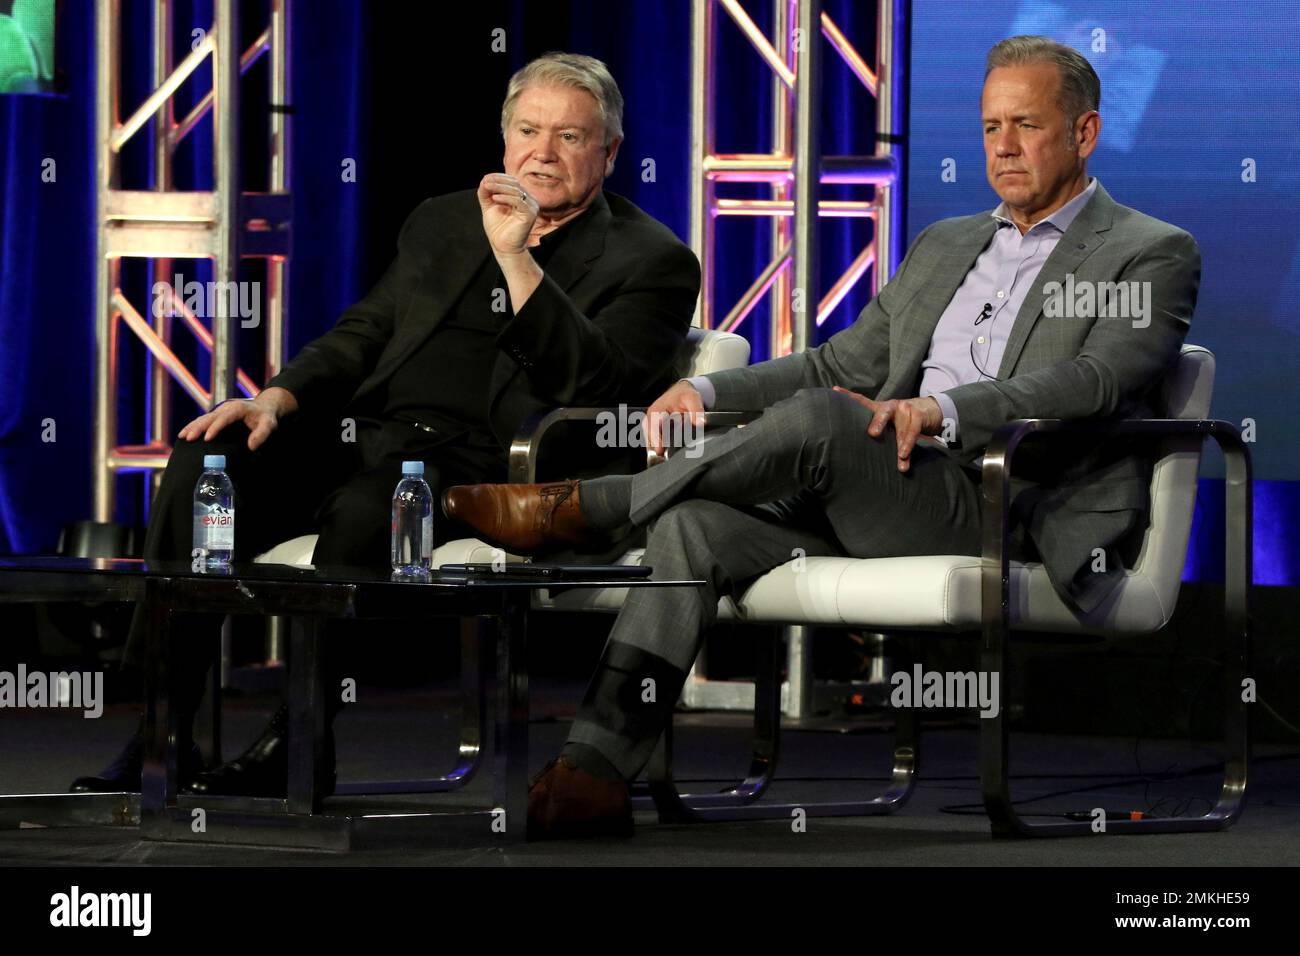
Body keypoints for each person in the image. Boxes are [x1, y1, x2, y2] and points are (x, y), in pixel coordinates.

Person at [443, 35, 1202, 839]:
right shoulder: (947, 244)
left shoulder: (1148, 251)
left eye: (1026, 125)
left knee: (832, 417)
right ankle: (591, 772)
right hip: (879, 485)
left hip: (1001, 496)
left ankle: (591, 507)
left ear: (1084, 134)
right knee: (692, 526)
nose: (1003, 147)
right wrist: (703, 389)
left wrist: (944, 411)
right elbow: (838, 360)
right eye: (989, 128)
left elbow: (1096, 380)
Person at [71, 52, 700, 796]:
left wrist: (517, 261)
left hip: (498, 467)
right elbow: (364, 331)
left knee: (371, 510)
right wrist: (277, 398)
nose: (543, 151)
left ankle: (301, 739)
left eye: (570, 137)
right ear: (504, 140)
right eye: (529, 130)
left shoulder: (653, 260)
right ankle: (161, 731)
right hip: (371, 436)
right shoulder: (442, 220)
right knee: (211, 459)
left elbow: (597, 389)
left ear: (610, 152)